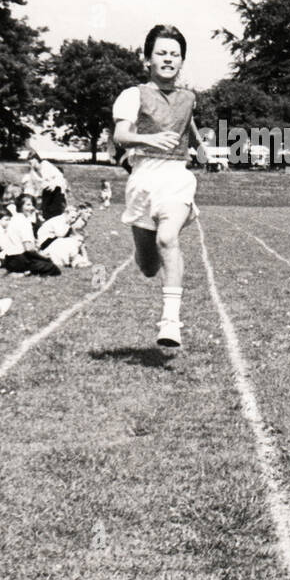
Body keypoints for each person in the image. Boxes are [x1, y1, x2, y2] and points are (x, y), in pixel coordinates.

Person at [111, 24, 207, 347]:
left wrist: (200, 147)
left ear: (182, 61)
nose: (168, 59)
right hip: (142, 180)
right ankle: (154, 256)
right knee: (149, 265)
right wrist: (148, 138)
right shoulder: (133, 95)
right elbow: (120, 136)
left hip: (176, 178)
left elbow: (187, 124)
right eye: (162, 53)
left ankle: (170, 322)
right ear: (147, 59)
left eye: (175, 54)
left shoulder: (189, 97)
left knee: (168, 237)